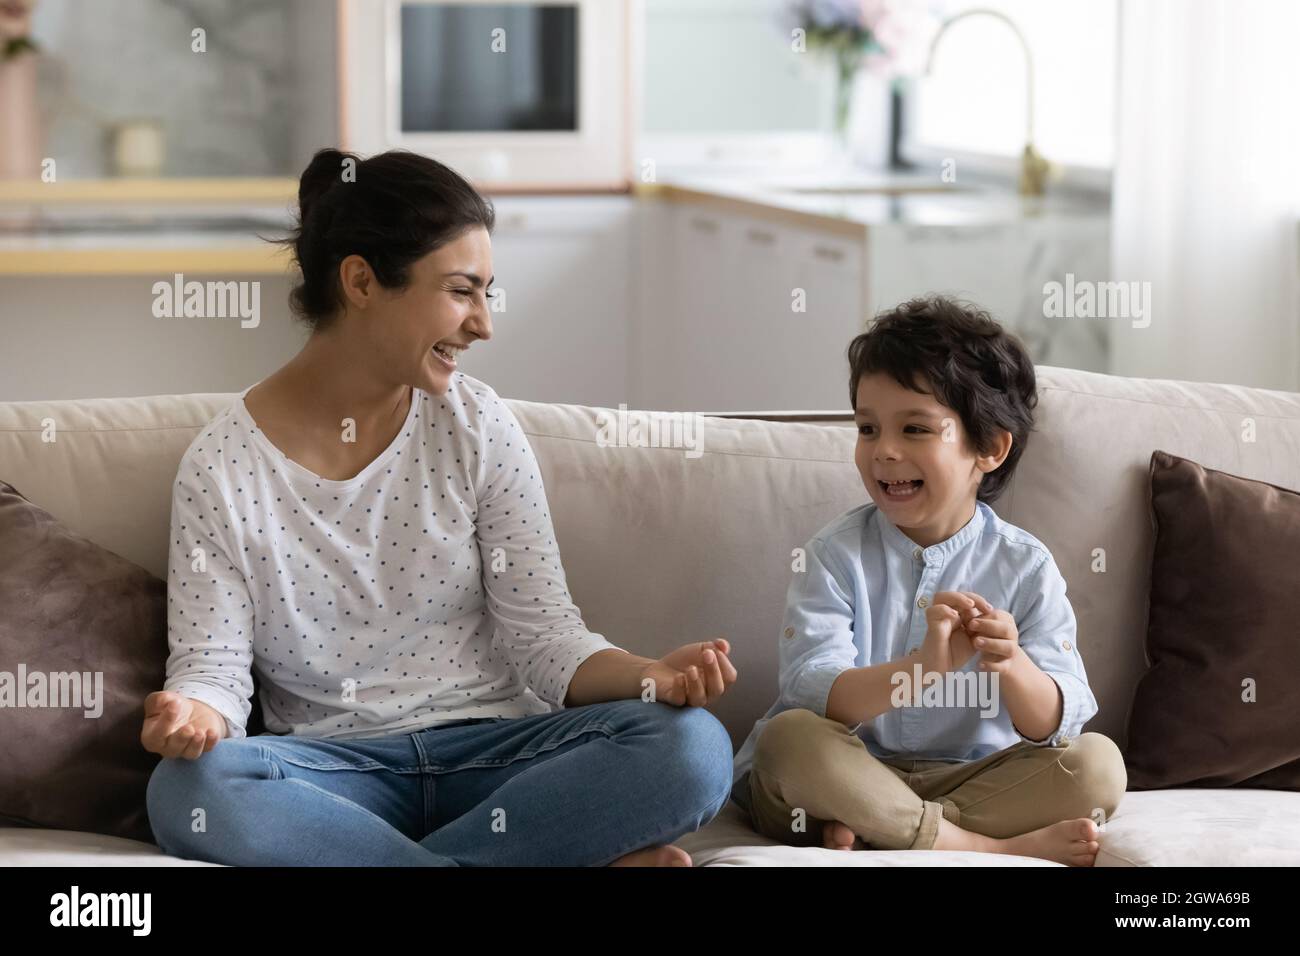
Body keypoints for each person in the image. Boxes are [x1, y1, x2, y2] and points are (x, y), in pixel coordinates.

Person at [143, 148, 737, 867]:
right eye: (462, 291)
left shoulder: (477, 426)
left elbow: (545, 638)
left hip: (500, 761)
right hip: (338, 779)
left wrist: (652, 675)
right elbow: (214, 671)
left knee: (692, 745)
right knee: (190, 791)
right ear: (361, 281)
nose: (483, 324)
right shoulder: (222, 467)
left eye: (487, 293)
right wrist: (191, 715)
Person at [731, 295, 1126, 865]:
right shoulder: (835, 554)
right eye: (868, 429)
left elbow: (1055, 722)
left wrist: (1012, 663)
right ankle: (976, 845)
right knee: (788, 740)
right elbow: (814, 691)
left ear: (989, 448)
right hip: (846, 769)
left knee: (1097, 765)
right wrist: (921, 671)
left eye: (915, 428)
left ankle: (884, 832)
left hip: (968, 780)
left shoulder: (1026, 565)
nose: (884, 451)